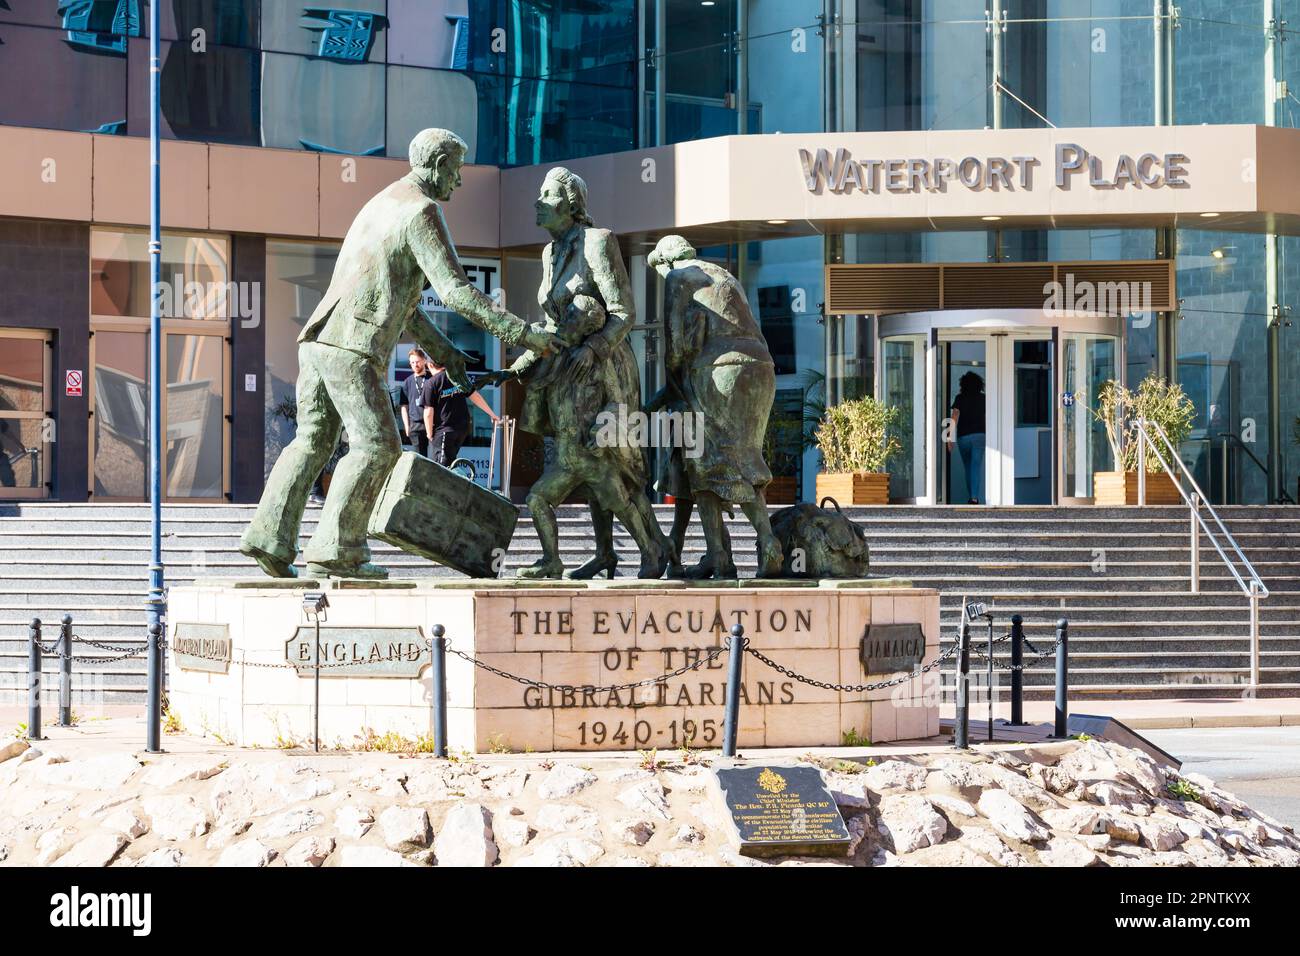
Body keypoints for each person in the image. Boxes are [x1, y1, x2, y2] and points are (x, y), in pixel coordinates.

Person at [238, 127, 560, 580]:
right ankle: (337, 549)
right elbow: (457, 292)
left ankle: (268, 538)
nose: (460, 181)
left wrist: (447, 354)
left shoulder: (382, 202)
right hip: (352, 347)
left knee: (311, 441)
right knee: (377, 446)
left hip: (318, 342)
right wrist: (526, 334)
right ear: (436, 165)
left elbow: (403, 304)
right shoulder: (421, 211)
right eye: (457, 169)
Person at [487, 167, 672, 580]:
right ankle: (608, 553)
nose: (537, 201)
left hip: (603, 368)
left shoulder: (598, 241)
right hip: (567, 370)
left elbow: (623, 311)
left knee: (610, 463)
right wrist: (518, 365)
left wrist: (594, 347)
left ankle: (653, 549)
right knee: (591, 465)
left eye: (548, 194)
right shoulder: (549, 253)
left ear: (571, 204)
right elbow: (554, 325)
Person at [646, 235, 782, 579]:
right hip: (760, 367)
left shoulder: (679, 276)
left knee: (703, 460)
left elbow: (674, 348)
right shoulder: (724, 275)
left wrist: (669, 392)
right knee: (744, 458)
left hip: (719, 370)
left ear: (664, 263)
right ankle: (768, 543)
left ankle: (718, 556)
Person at [423, 358, 499, 467]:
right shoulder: (457, 378)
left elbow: (428, 412)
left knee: (441, 469)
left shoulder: (431, 383)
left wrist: (429, 433)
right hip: (462, 429)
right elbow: (475, 396)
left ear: (429, 365)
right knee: (451, 464)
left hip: (444, 430)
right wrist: (492, 414)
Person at [947, 370, 986, 505]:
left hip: (963, 437)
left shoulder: (960, 398)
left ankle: (972, 497)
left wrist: (949, 438)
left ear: (963, 384)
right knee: (975, 467)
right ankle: (974, 498)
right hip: (980, 436)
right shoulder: (984, 398)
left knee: (968, 467)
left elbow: (954, 416)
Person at [400, 348, 434, 457]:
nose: (415, 365)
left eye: (418, 361)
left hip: (434, 424)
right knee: (421, 460)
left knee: (436, 459)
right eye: (412, 362)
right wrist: (407, 426)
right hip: (416, 427)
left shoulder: (433, 378)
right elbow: (404, 406)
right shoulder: (407, 382)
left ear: (424, 360)